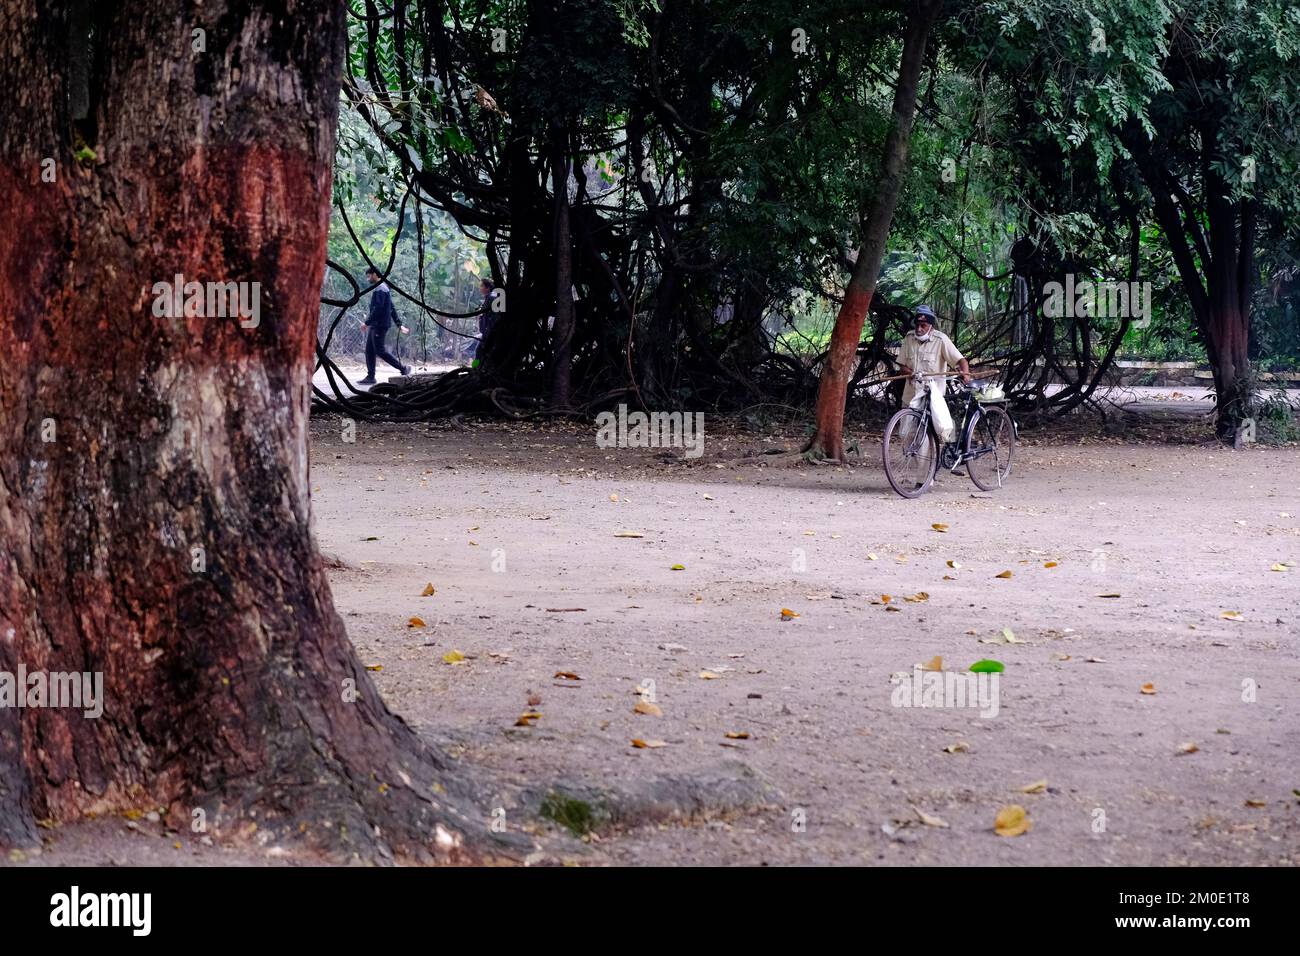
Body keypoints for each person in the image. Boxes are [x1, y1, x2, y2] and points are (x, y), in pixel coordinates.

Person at [897, 306, 970, 468]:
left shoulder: (940, 340)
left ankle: (924, 478)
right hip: (910, 396)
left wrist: (965, 374)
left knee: (926, 436)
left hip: (931, 397)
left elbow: (960, 360)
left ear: (931, 326)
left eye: (923, 326)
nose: (919, 328)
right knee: (906, 435)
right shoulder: (909, 339)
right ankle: (928, 468)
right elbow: (902, 366)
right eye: (917, 325)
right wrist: (911, 372)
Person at [358, 266, 411, 383]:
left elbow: (378, 308)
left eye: (369, 276)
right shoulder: (383, 288)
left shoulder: (381, 288)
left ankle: (403, 368)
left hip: (379, 325)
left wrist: (367, 323)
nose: (368, 279)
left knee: (380, 351)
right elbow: (391, 307)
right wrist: (399, 324)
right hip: (376, 325)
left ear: (375, 275)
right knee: (369, 351)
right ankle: (371, 377)